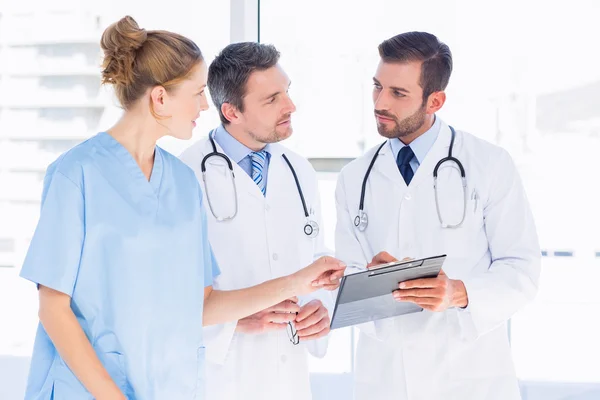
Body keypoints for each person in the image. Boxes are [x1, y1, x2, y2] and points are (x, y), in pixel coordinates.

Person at [19, 16, 345, 400]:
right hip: (89, 390)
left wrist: (300, 282)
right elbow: (53, 308)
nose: (206, 105)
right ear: (160, 98)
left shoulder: (181, 181)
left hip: (167, 386)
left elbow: (202, 306)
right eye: (197, 92)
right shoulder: (76, 174)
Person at [334, 31, 541, 400]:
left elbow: (521, 269)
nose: (380, 102)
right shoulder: (355, 178)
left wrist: (458, 293)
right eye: (377, 87)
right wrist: (371, 280)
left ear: (435, 100)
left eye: (398, 93)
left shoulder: (489, 164)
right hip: (386, 378)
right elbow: (342, 277)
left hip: (469, 375)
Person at [179, 42, 336, 400]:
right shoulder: (185, 175)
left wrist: (322, 309)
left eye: (287, 92)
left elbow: (313, 257)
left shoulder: (299, 171)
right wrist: (232, 320)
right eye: (272, 100)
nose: (290, 106)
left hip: (290, 377)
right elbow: (165, 296)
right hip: (219, 379)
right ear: (231, 111)